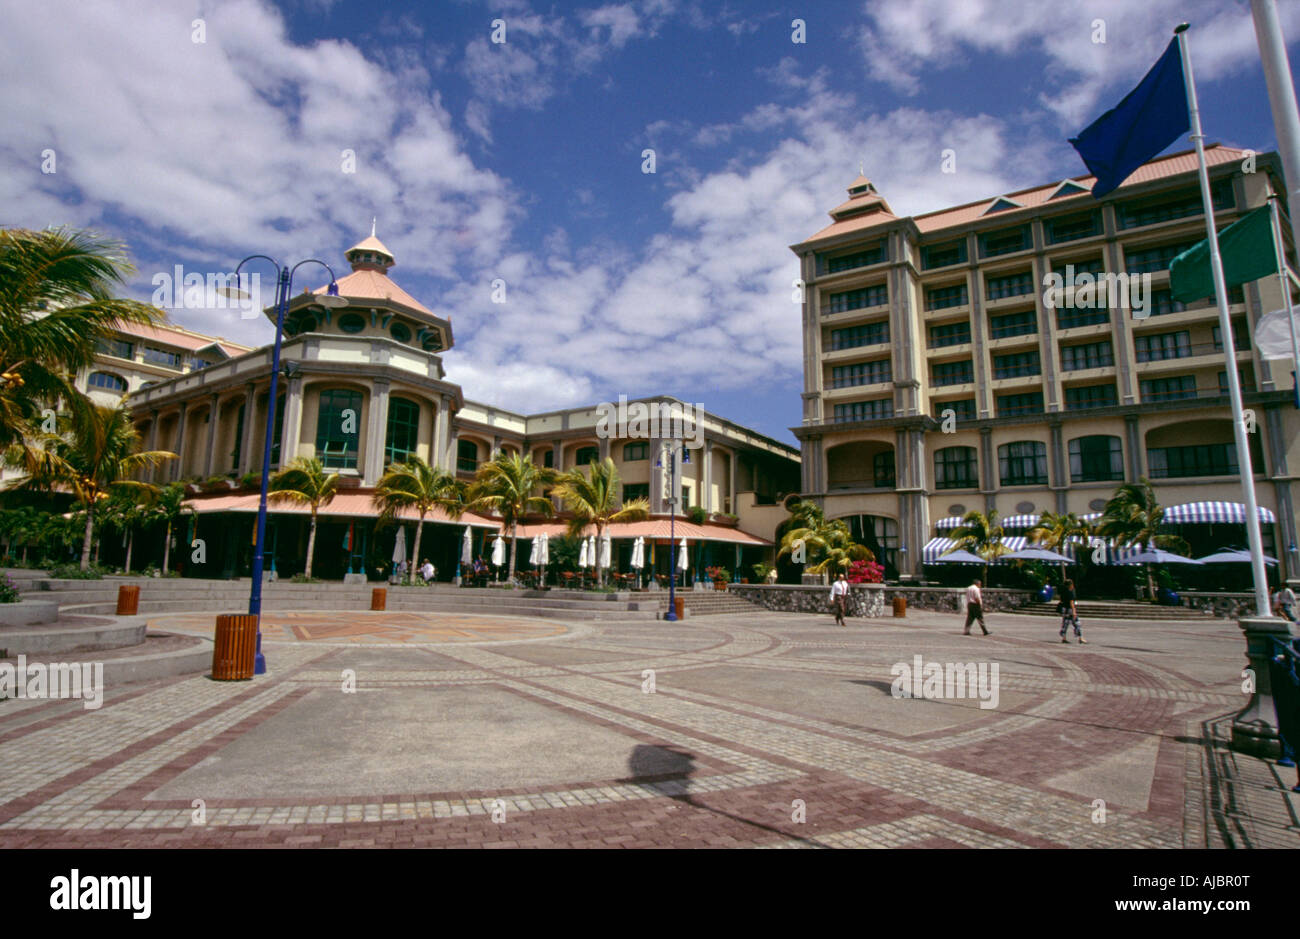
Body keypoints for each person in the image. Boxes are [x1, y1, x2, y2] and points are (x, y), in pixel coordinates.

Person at [1058, 578, 1086, 644]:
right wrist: (1074, 612)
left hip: (1064, 609)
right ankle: (1080, 638)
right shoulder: (1070, 592)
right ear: (1070, 585)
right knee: (1077, 623)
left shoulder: (1063, 592)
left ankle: (1064, 638)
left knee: (1065, 624)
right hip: (1070, 609)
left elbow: (1061, 601)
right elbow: (1071, 603)